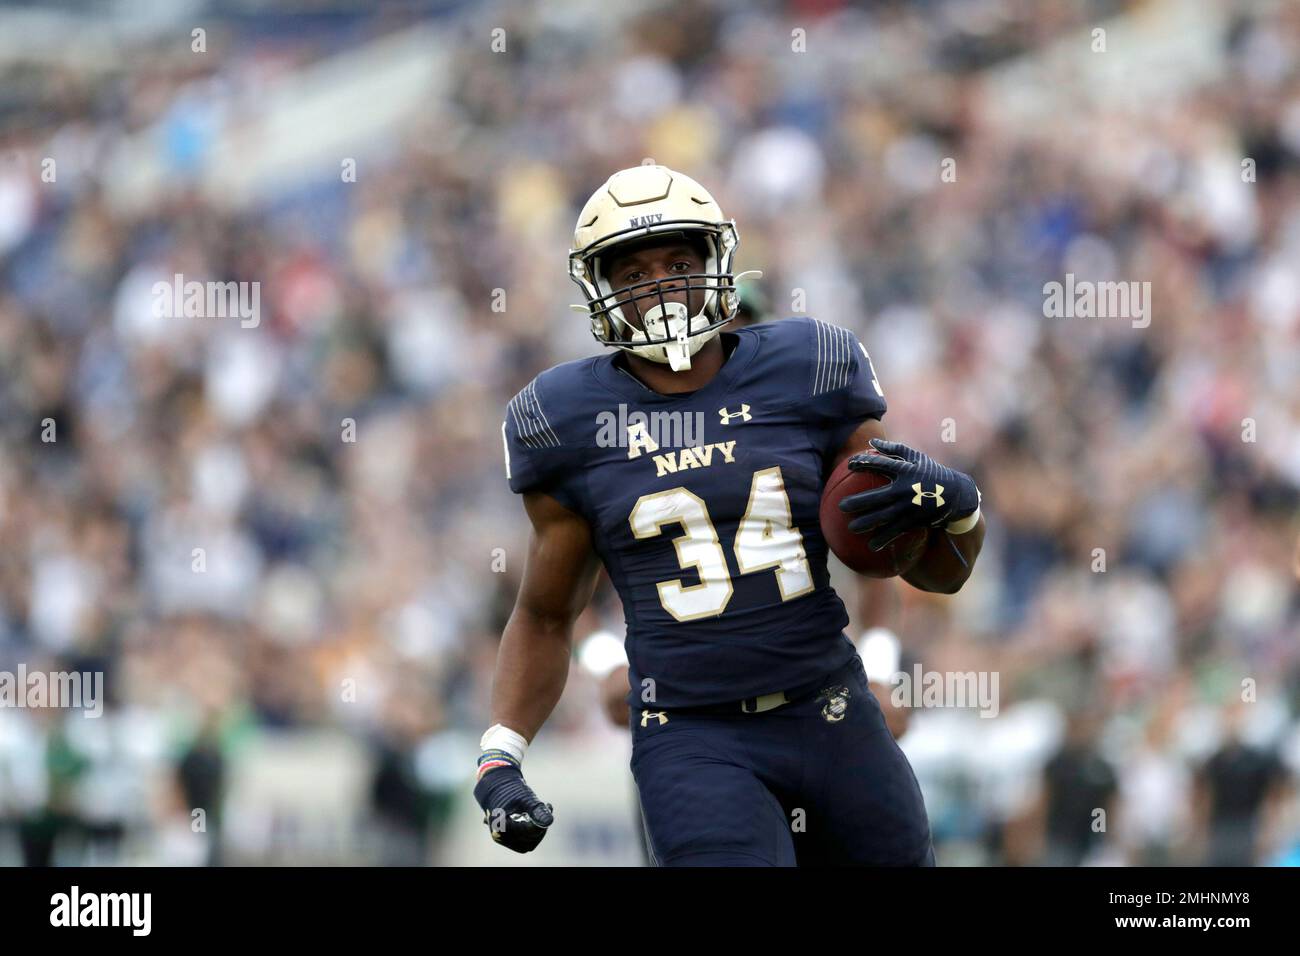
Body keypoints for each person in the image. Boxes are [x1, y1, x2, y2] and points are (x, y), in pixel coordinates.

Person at [474, 165, 985, 865]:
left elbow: (925, 569)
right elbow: (547, 611)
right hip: (691, 734)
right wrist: (500, 754)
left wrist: (959, 510)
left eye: (678, 261)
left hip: (829, 708)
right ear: (599, 287)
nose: (659, 285)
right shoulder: (568, 417)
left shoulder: (810, 365)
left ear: (717, 260)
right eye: (633, 271)